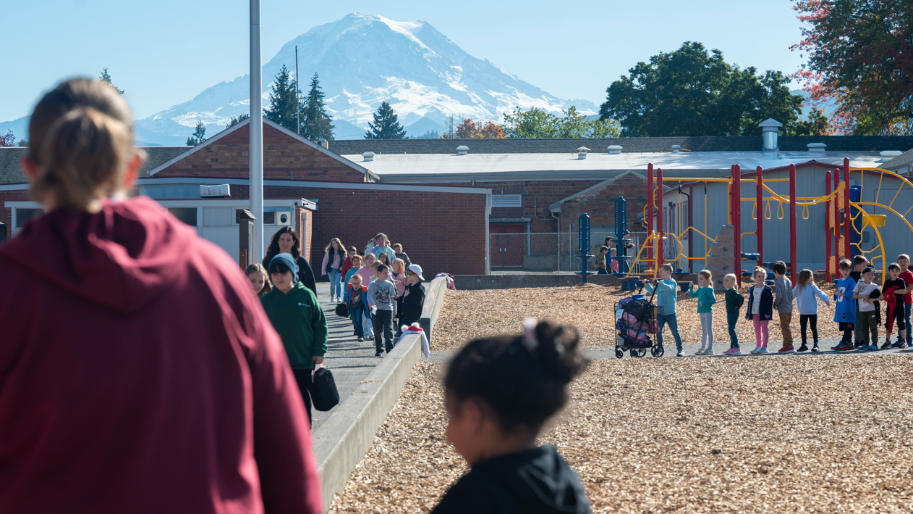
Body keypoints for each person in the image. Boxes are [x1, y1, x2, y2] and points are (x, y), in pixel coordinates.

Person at [0, 78, 322, 512]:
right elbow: (286, 455)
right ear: (131, 168)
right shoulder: (215, 278)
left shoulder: (12, 288)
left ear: (32, 171)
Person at [430, 319, 592, 514]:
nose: (447, 435)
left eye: (451, 415)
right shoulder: (563, 477)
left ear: (473, 415)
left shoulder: (473, 498)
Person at [261, 254, 329, 424]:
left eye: (283, 272)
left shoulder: (306, 295)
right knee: (278, 401)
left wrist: (319, 350)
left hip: (302, 360)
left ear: (292, 273)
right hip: (276, 363)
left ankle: (305, 433)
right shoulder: (266, 301)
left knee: (301, 399)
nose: (278, 277)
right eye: (274, 274)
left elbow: (320, 324)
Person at [644, 264, 685, 357]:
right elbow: (652, 291)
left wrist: (660, 283)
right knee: (658, 331)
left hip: (670, 312)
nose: (659, 273)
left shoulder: (672, 282)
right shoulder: (661, 282)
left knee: (675, 331)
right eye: (659, 272)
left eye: (661, 272)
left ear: (668, 272)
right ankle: (660, 348)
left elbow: (669, 288)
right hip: (660, 312)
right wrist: (647, 284)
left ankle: (680, 349)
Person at [263, 226, 317, 295]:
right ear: (278, 241)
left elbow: (311, 287)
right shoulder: (269, 260)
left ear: (293, 242)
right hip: (273, 302)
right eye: (282, 239)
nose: (285, 243)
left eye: (288, 240)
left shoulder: (301, 262)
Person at [792, 269, 830, 352]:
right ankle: (804, 344)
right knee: (803, 328)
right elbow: (791, 295)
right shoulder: (798, 287)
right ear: (805, 277)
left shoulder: (812, 286)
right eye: (810, 276)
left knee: (813, 328)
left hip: (812, 311)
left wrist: (826, 299)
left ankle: (816, 344)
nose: (812, 277)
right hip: (803, 312)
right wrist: (786, 303)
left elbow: (820, 293)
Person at [368, 263, 398, 357]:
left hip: (388, 309)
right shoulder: (373, 284)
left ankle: (389, 349)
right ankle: (379, 350)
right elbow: (369, 296)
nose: (387, 274)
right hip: (376, 310)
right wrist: (372, 304)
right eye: (385, 272)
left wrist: (395, 311)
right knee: (377, 331)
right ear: (378, 273)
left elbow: (394, 298)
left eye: (388, 272)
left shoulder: (390, 284)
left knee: (388, 330)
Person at [852, 267, 881, 351]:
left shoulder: (874, 286)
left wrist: (873, 299)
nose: (870, 276)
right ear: (863, 275)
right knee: (864, 327)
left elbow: (881, 296)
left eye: (872, 274)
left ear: (874, 277)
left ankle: (874, 344)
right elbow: (854, 295)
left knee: (873, 327)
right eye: (868, 274)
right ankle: (865, 344)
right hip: (862, 309)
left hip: (871, 309)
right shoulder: (859, 284)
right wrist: (863, 296)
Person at [746, 266, 774, 354]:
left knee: (764, 330)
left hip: (764, 313)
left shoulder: (767, 289)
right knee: (757, 330)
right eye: (759, 276)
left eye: (763, 276)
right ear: (755, 278)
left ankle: (764, 347)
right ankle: (758, 346)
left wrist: (767, 313)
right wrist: (748, 313)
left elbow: (769, 302)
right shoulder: (752, 289)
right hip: (755, 312)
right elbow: (750, 301)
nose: (761, 278)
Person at [689, 270, 717, 355]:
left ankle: (710, 349)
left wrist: (704, 303)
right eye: (698, 279)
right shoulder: (700, 288)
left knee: (709, 330)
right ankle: (703, 347)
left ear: (708, 279)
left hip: (708, 312)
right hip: (701, 312)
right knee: (704, 331)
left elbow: (713, 300)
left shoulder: (709, 289)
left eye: (701, 279)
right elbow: (692, 295)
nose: (699, 280)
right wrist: (691, 288)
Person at [833, 259, 858, 352]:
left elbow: (853, 293)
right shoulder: (839, 281)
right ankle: (848, 343)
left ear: (850, 270)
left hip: (848, 307)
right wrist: (836, 293)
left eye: (847, 269)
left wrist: (841, 294)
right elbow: (837, 293)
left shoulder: (851, 281)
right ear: (840, 270)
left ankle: (844, 342)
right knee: (844, 325)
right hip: (841, 306)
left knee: (848, 325)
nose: (845, 272)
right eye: (843, 270)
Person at [772, 261, 795, 354]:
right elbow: (791, 295)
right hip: (789, 306)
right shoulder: (788, 280)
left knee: (785, 327)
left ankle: (789, 345)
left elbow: (779, 296)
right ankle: (785, 345)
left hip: (783, 308)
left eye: (774, 273)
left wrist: (775, 304)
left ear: (776, 272)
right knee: (786, 326)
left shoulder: (778, 282)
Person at [882, 263, 907, 349]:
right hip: (890, 305)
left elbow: (904, 290)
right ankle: (888, 340)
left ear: (899, 272)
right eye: (892, 271)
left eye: (896, 270)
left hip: (899, 304)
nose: (894, 272)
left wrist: (893, 291)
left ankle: (904, 340)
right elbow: (884, 293)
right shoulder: (887, 282)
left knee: (901, 322)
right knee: (888, 322)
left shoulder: (900, 281)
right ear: (889, 272)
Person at [344, 273, 371, 342]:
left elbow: (369, 297)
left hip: (360, 305)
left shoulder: (364, 289)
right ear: (351, 283)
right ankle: (357, 329)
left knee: (358, 319)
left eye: (358, 283)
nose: (355, 285)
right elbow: (347, 295)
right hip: (352, 305)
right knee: (354, 319)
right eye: (354, 283)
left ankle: (360, 335)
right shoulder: (349, 287)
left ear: (361, 283)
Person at [723, 273, 744, 355]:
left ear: (732, 283)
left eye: (727, 280)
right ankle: (732, 347)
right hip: (729, 311)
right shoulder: (727, 291)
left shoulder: (732, 291)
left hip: (733, 311)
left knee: (731, 329)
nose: (725, 282)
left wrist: (737, 306)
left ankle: (736, 347)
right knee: (730, 328)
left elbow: (741, 298)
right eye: (724, 280)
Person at [895, 254, 913, 348]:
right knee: (900, 320)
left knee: (907, 319)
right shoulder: (896, 274)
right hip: (898, 301)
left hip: (907, 301)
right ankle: (900, 339)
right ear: (897, 263)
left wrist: (903, 292)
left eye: (904, 261)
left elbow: (910, 286)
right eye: (900, 261)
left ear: (908, 263)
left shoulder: (908, 274)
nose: (902, 263)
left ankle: (909, 339)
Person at [321, 238, 345, 303]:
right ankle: (332, 296)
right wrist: (323, 271)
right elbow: (325, 261)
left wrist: (342, 267)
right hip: (330, 270)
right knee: (332, 284)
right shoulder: (329, 252)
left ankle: (339, 297)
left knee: (338, 283)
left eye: (334, 243)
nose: (333, 244)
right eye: (332, 243)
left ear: (338, 243)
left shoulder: (343, 252)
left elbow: (344, 261)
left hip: (338, 270)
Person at [391, 258, 409, 334]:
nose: (393, 263)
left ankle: (399, 328)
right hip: (391, 296)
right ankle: (393, 322)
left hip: (400, 296)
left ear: (400, 265)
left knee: (400, 313)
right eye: (393, 262)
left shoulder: (403, 276)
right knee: (392, 312)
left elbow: (407, 285)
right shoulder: (389, 274)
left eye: (395, 262)